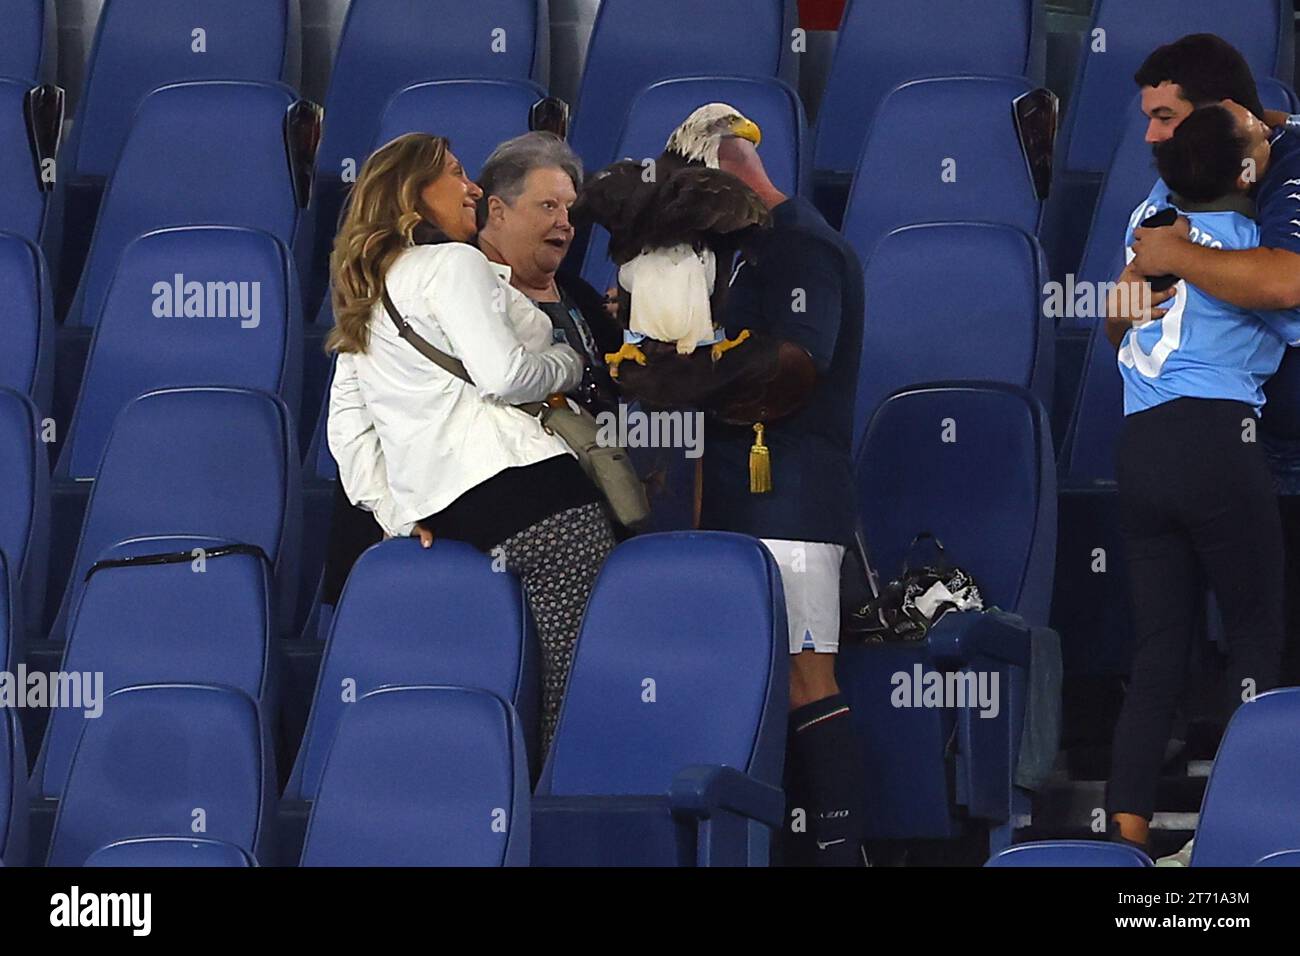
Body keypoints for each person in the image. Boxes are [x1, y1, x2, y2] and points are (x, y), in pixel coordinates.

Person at [326, 133, 616, 747]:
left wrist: (401, 515)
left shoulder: (367, 294)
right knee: (571, 694)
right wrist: (568, 362)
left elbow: (347, 432)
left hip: (450, 524)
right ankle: (557, 807)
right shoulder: (456, 265)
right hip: (542, 505)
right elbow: (508, 375)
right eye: (456, 174)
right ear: (414, 195)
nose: (474, 188)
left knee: (493, 694)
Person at [1102, 103, 1300, 852]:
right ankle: (1241, 829)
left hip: (1140, 446)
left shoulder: (1146, 234)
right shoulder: (1248, 249)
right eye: (1256, 139)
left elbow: (1119, 317)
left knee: (1159, 651)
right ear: (1245, 171)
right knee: (1255, 635)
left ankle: (1124, 836)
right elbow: (1290, 306)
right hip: (1219, 440)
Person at [700, 134, 868, 866]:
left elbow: (801, 363)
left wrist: (692, 369)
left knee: (806, 675)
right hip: (742, 496)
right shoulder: (747, 254)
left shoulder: (803, 247)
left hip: (791, 498)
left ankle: (841, 851)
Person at [475, 132, 622, 415]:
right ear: (497, 211)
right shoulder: (463, 286)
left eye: (569, 209)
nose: (565, 223)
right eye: (549, 206)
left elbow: (628, 382)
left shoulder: (580, 295)